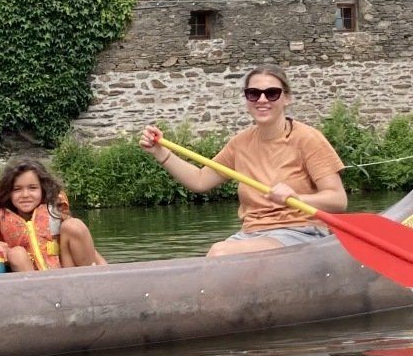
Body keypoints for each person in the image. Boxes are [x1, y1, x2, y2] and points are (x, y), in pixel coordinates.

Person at [138, 65, 345, 257]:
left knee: (220, 253)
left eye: (272, 93)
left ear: (286, 99)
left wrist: (298, 199)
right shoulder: (240, 143)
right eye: (253, 94)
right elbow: (200, 181)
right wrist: (161, 153)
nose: (262, 100)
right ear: (247, 99)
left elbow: (338, 200)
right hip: (250, 234)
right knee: (216, 257)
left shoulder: (308, 138)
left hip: (301, 232)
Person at [0, 159, 105, 272]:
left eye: (32, 188)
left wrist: (110, 273)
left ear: (42, 189)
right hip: (34, 285)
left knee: (74, 225)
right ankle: (41, 301)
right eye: (17, 189)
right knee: (16, 253)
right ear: (9, 193)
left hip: (65, 274)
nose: (25, 195)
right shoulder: (2, 218)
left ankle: (94, 282)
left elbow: (91, 251)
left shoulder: (55, 211)